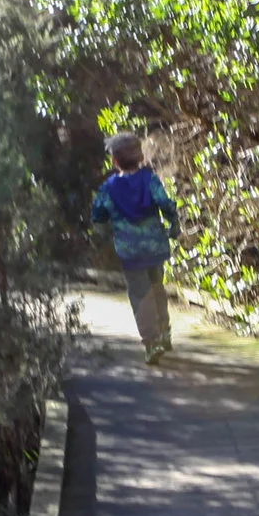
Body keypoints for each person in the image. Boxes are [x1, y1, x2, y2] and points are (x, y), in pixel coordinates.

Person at [92, 132, 181, 364]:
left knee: (140, 296)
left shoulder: (109, 188)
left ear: (115, 161)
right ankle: (164, 332)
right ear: (141, 156)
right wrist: (174, 223)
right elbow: (164, 203)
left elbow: (98, 214)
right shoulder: (150, 179)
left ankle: (151, 342)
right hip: (154, 246)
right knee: (157, 288)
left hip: (129, 251)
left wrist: (101, 235)